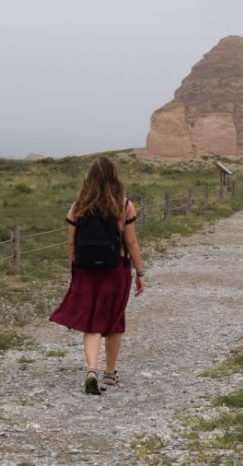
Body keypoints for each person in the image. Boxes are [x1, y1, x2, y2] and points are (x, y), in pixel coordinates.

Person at [49, 156, 146, 395]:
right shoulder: (124, 205)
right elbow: (131, 242)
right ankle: (110, 373)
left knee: (91, 321)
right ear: (115, 176)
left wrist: (74, 268)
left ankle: (91, 369)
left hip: (86, 269)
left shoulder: (78, 207)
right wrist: (140, 272)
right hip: (116, 269)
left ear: (89, 178)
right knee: (114, 320)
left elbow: (70, 242)